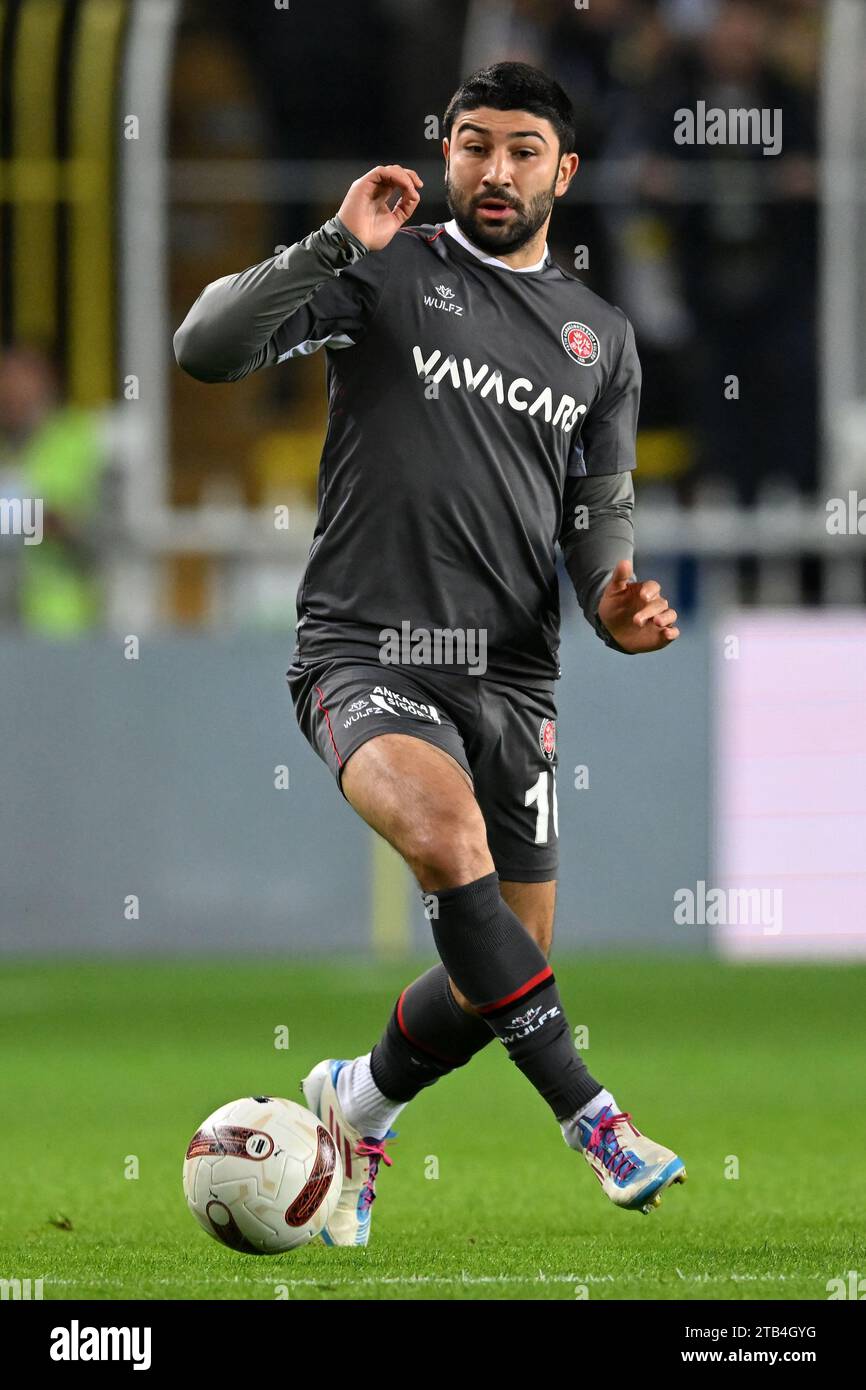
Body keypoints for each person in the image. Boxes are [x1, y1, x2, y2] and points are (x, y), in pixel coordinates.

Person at [174, 61, 686, 1248]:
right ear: (442, 152)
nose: (491, 169)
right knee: (447, 843)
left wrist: (615, 605)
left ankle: (355, 1105)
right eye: (470, 145)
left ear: (561, 171)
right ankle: (595, 1122)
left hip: (513, 677)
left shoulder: (597, 340)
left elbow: (596, 528)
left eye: (518, 150)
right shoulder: (387, 271)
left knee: (492, 968)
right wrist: (329, 242)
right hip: (366, 648)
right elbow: (204, 347)